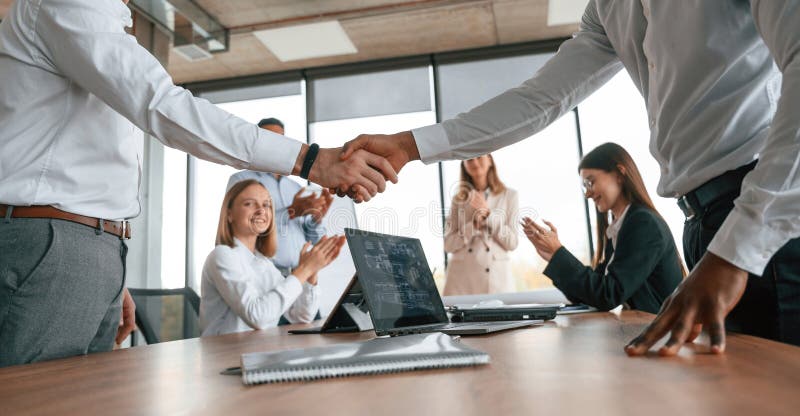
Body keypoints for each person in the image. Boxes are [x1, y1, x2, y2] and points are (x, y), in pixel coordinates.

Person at [339, 1, 800, 355]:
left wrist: (737, 251)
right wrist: (410, 145)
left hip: (770, 214)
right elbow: (539, 99)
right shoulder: (606, 8)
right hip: (704, 224)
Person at [0, 0, 395, 367]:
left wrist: (108, 267)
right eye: (251, 205)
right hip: (57, 243)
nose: (262, 211)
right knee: (37, 400)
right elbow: (164, 106)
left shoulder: (101, 23)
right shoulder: (68, 5)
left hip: (90, 246)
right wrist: (311, 160)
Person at [521, 143, 683, 314]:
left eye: (590, 182)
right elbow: (591, 292)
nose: (587, 194)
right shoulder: (621, 226)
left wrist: (559, 253)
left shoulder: (643, 223)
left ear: (619, 173)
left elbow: (608, 295)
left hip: (662, 334)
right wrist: (554, 256)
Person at [199, 180, 344, 336]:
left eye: (266, 205)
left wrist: (312, 274)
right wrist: (305, 269)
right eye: (249, 204)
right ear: (229, 214)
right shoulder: (222, 255)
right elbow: (257, 317)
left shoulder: (263, 263)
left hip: (256, 352)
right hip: (223, 356)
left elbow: (302, 315)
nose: (261, 210)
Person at [226, 118, 333, 277]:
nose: (277, 143)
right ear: (258, 141)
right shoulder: (241, 181)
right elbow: (242, 228)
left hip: (298, 276)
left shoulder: (296, 188)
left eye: (281, 138)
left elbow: (314, 240)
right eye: (270, 137)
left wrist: (315, 220)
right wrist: (291, 211)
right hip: (261, 276)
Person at [443, 155, 519, 295]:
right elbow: (448, 245)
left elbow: (512, 243)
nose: (475, 162)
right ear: (464, 165)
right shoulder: (457, 200)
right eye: (470, 159)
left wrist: (489, 215)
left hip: (497, 280)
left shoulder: (510, 196)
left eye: (479, 157)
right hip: (460, 281)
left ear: (490, 160)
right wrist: (473, 225)